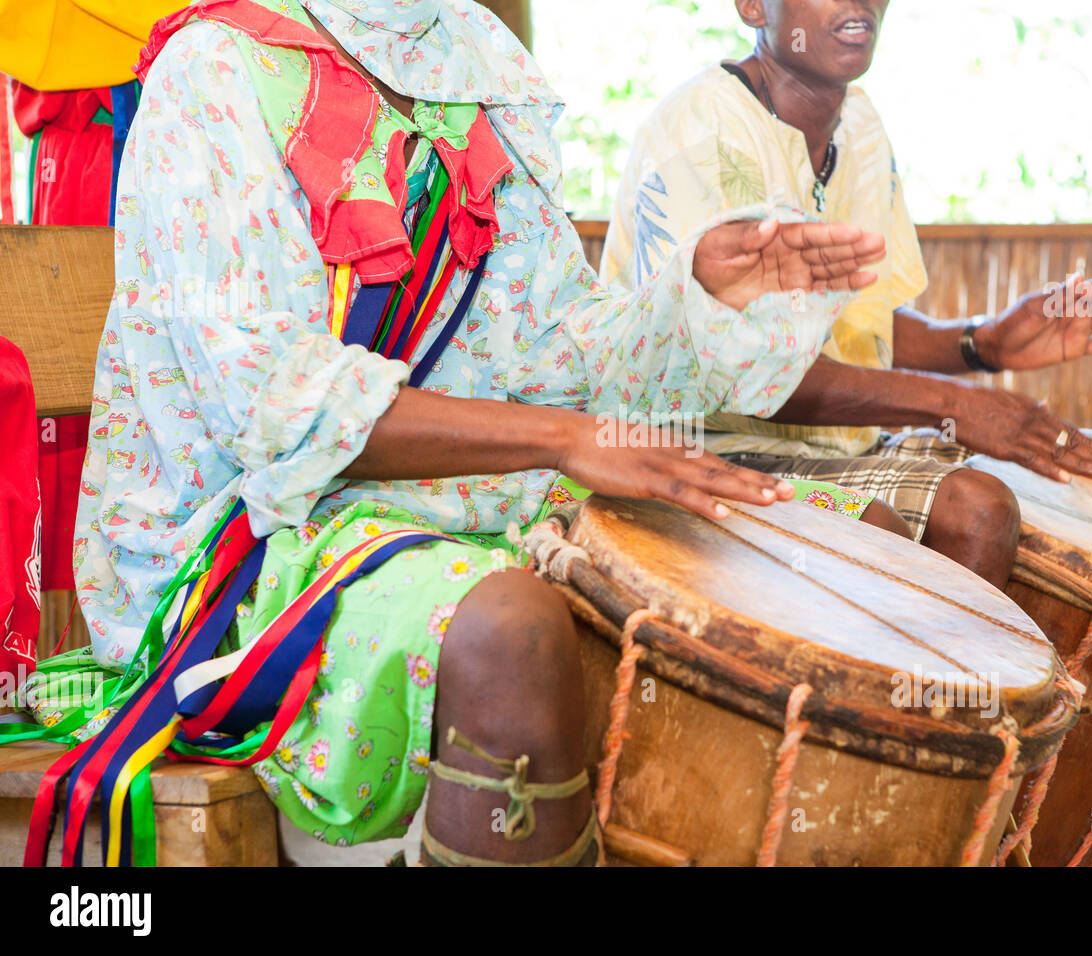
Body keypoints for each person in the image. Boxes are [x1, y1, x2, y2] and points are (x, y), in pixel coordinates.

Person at [9, 0, 889, 867]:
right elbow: (270, 400)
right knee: (511, 630)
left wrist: (696, 297)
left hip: (461, 495)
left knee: (838, 548)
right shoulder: (216, 67)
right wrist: (559, 438)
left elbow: (552, 347)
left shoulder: (473, 60)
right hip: (241, 544)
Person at [602, 0, 1092, 589]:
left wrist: (984, 343)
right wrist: (953, 405)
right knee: (974, 509)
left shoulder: (860, 122)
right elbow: (756, 376)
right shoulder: (702, 127)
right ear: (753, 7)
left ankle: (1066, 681)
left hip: (842, 444)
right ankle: (962, 684)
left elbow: (862, 324)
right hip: (703, 447)